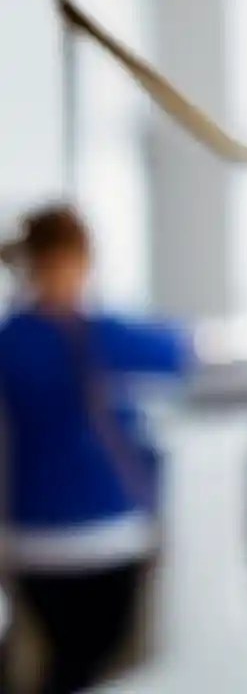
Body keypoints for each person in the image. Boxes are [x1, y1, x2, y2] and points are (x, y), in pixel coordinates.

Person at [0, 204, 190, 693]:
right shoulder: (99, 334)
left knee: (71, 662)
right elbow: (182, 350)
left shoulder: (15, 338)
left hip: (43, 535)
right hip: (91, 531)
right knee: (88, 662)